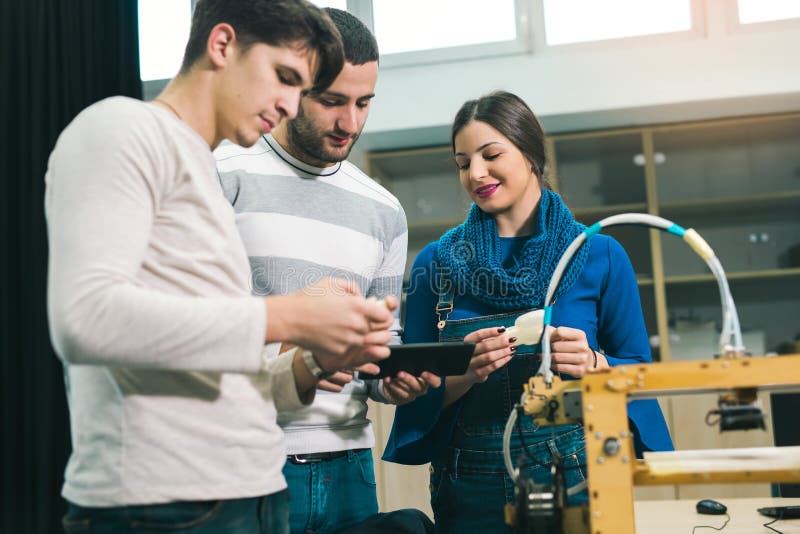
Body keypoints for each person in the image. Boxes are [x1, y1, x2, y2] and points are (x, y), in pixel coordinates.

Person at [45, 1, 396, 533]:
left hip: (251, 493)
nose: (288, 103)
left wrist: (313, 360)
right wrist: (293, 316)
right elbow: (85, 319)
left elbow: (217, 372)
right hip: (163, 503)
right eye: (284, 77)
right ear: (223, 44)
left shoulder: (202, 176)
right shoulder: (120, 128)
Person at [382, 91, 674, 532]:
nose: (475, 173)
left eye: (491, 154)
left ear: (531, 154)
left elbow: (637, 372)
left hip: (578, 475)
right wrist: (465, 373)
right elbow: (414, 389)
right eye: (463, 163)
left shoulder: (599, 254)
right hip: (468, 487)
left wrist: (595, 364)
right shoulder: (436, 264)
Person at [215, 9, 438, 533]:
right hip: (247, 460)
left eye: (364, 103)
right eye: (332, 101)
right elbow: (197, 332)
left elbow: (380, 344)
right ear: (290, 85)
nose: (351, 123)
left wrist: (394, 380)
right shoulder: (222, 175)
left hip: (349, 468)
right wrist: (297, 353)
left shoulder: (384, 209)